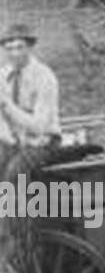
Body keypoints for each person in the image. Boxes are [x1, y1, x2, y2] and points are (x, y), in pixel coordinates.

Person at [0, 23, 61, 176]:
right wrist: (10, 140)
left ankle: (16, 200)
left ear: (30, 48)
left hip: (43, 142)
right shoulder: (2, 75)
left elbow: (39, 127)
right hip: (12, 139)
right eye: (9, 49)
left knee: (15, 170)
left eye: (20, 47)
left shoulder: (44, 77)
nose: (15, 54)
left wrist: (7, 105)